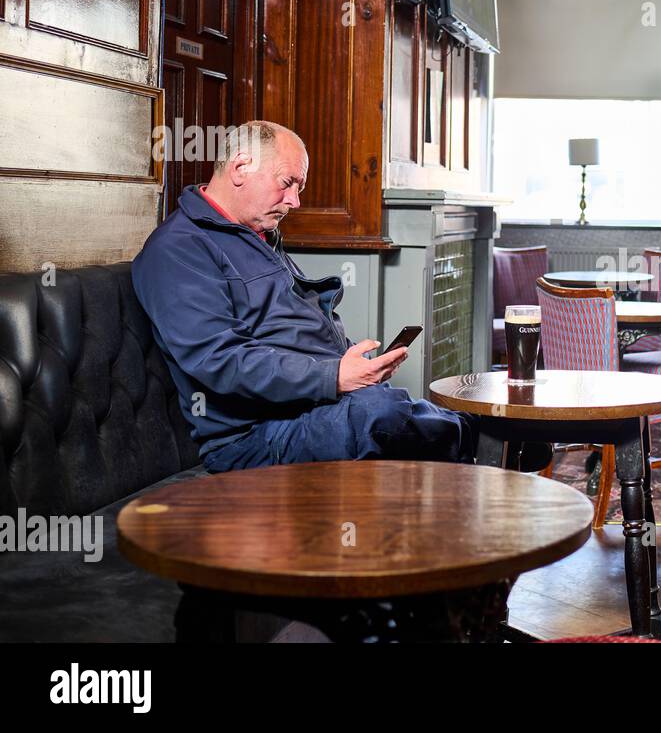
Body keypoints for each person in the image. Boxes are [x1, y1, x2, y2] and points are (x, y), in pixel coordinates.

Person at [132, 120, 545, 472]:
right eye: (287, 183)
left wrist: (353, 366)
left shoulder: (257, 236)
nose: (294, 201)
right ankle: (490, 445)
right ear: (241, 166)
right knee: (378, 413)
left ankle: (487, 442)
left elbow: (289, 330)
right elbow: (217, 361)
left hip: (307, 408)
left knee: (388, 401)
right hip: (251, 440)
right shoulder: (177, 250)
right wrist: (333, 377)